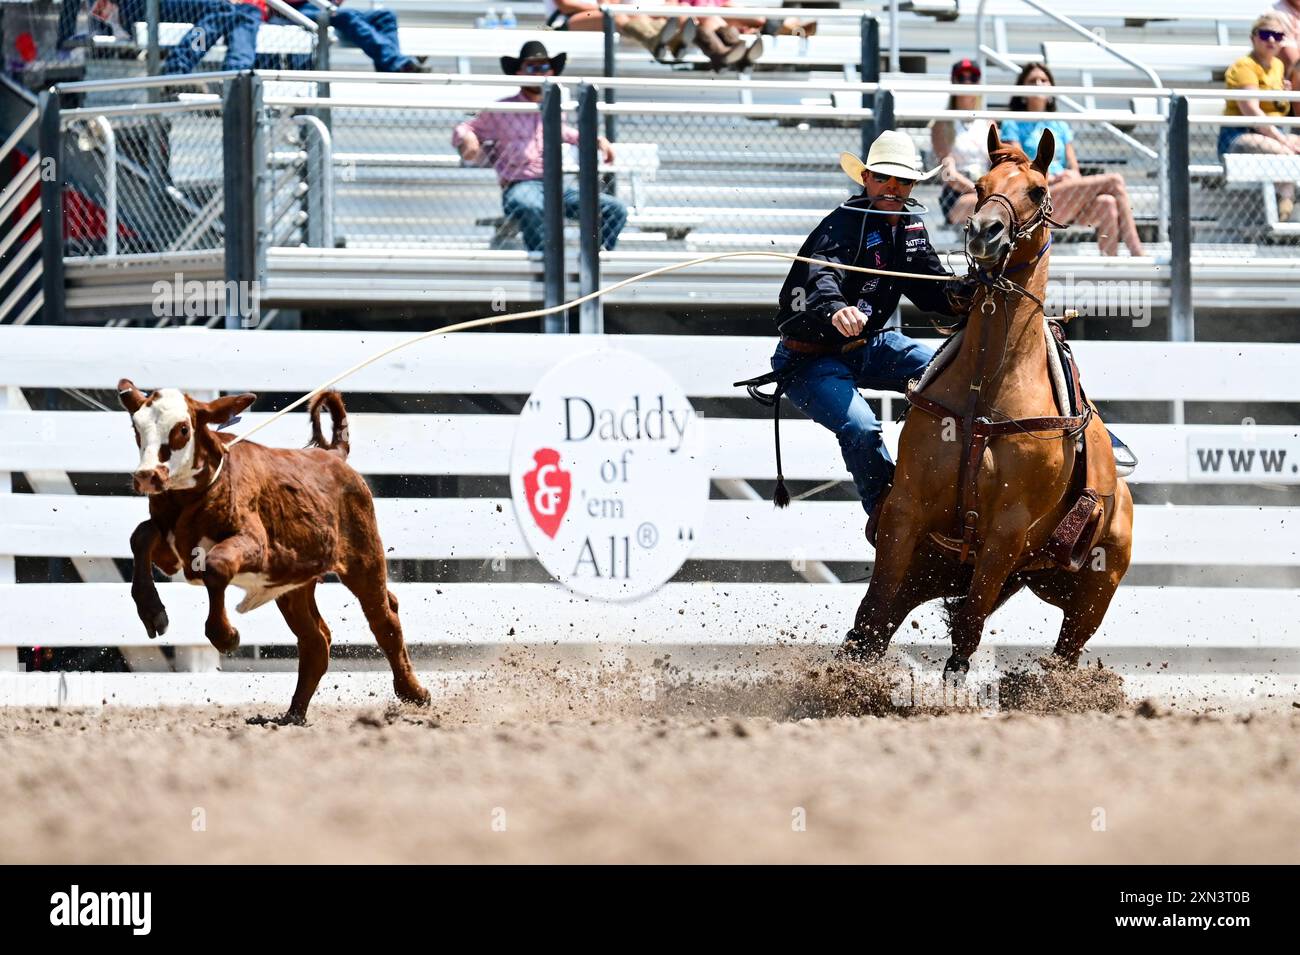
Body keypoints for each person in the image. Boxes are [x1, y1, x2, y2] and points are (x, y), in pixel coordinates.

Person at [769, 131, 969, 546]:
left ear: (914, 185)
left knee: (951, 374)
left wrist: (972, 292)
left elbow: (934, 290)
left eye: (903, 181)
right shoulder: (842, 223)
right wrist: (835, 309)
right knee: (861, 427)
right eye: (884, 179)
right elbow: (819, 275)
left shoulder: (912, 228)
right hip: (809, 360)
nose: (893, 188)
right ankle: (887, 510)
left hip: (869, 347)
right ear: (866, 179)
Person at [451, 41, 628, 252]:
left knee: (615, 209)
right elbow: (464, 127)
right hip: (520, 185)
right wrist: (469, 139)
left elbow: (565, 132)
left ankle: (595, 259)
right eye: (532, 68)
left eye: (544, 67)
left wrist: (597, 140)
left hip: (556, 187)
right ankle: (544, 261)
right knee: (532, 205)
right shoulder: (502, 110)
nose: (539, 73)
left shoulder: (553, 108)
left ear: (551, 71)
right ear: (519, 73)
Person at [1000, 62, 1145, 257]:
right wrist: (1053, 178)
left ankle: (1112, 264)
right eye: (1032, 81)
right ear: (1022, 91)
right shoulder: (1012, 123)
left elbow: (1074, 168)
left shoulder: (1059, 124)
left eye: (1044, 80)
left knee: (1108, 203)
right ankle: (1137, 252)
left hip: (1066, 194)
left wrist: (1069, 176)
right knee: (1115, 181)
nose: (1039, 84)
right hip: (1038, 197)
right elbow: (1019, 170)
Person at [1219, 12, 1300, 222]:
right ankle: (1285, 210)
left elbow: (1277, 109)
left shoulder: (1278, 66)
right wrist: (1283, 140)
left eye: (1277, 35)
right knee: (1286, 154)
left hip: (1273, 134)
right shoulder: (1245, 66)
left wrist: (1285, 94)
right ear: (1253, 37)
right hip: (1239, 136)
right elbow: (1252, 112)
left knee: (1291, 149)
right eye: (1265, 34)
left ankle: (1286, 205)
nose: (1271, 40)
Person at [272, 0, 430, 73]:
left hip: (326, 8)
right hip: (294, 12)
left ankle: (391, 66)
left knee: (386, 16)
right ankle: (396, 63)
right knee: (347, 16)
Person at [930, 58, 990, 227]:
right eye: (961, 78)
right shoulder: (942, 123)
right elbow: (948, 174)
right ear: (953, 82)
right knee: (994, 204)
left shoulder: (987, 121)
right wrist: (979, 191)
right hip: (957, 194)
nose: (967, 82)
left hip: (985, 188)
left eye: (973, 78)